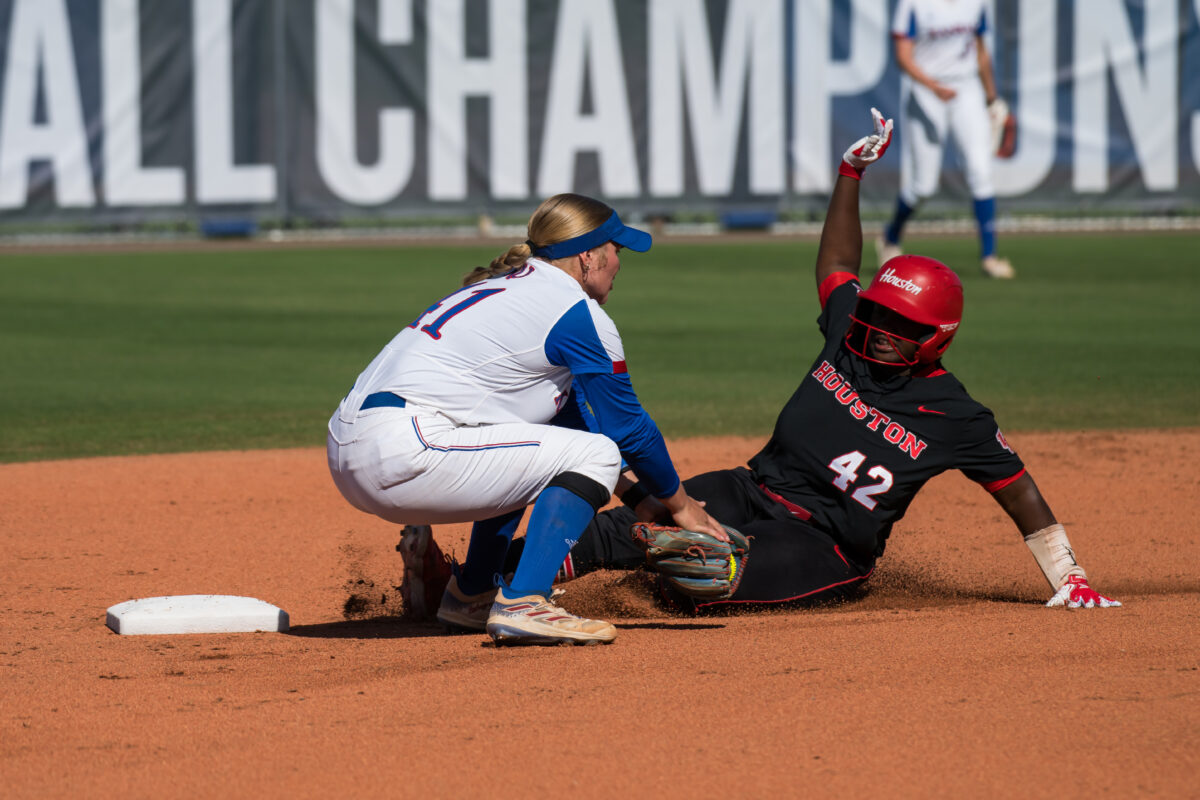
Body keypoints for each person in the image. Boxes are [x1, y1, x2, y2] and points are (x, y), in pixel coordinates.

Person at [413, 108, 1118, 616]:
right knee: (606, 522)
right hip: (752, 490)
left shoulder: (955, 415)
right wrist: (850, 174)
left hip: (825, 545)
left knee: (702, 571)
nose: (875, 332)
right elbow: (841, 262)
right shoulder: (850, 331)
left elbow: (1019, 490)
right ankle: (472, 585)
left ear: (936, 340)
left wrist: (1069, 573)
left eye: (898, 330)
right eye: (874, 315)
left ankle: (635, 562)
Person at [328, 193, 726, 646]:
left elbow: (565, 426)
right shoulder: (575, 314)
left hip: (361, 443)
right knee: (598, 451)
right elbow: (627, 428)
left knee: (529, 444)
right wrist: (682, 506)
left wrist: (638, 499)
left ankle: (473, 593)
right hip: (405, 449)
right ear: (588, 257)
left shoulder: (510, 289)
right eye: (616, 250)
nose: (619, 261)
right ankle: (525, 601)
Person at [877, 0, 1015, 280]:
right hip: (927, 91)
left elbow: (980, 50)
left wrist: (992, 97)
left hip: (966, 88)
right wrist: (934, 87)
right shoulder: (913, 4)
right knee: (924, 186)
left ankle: (990, 257)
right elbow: (903, 56)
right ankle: (890, 236)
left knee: (980, 170)